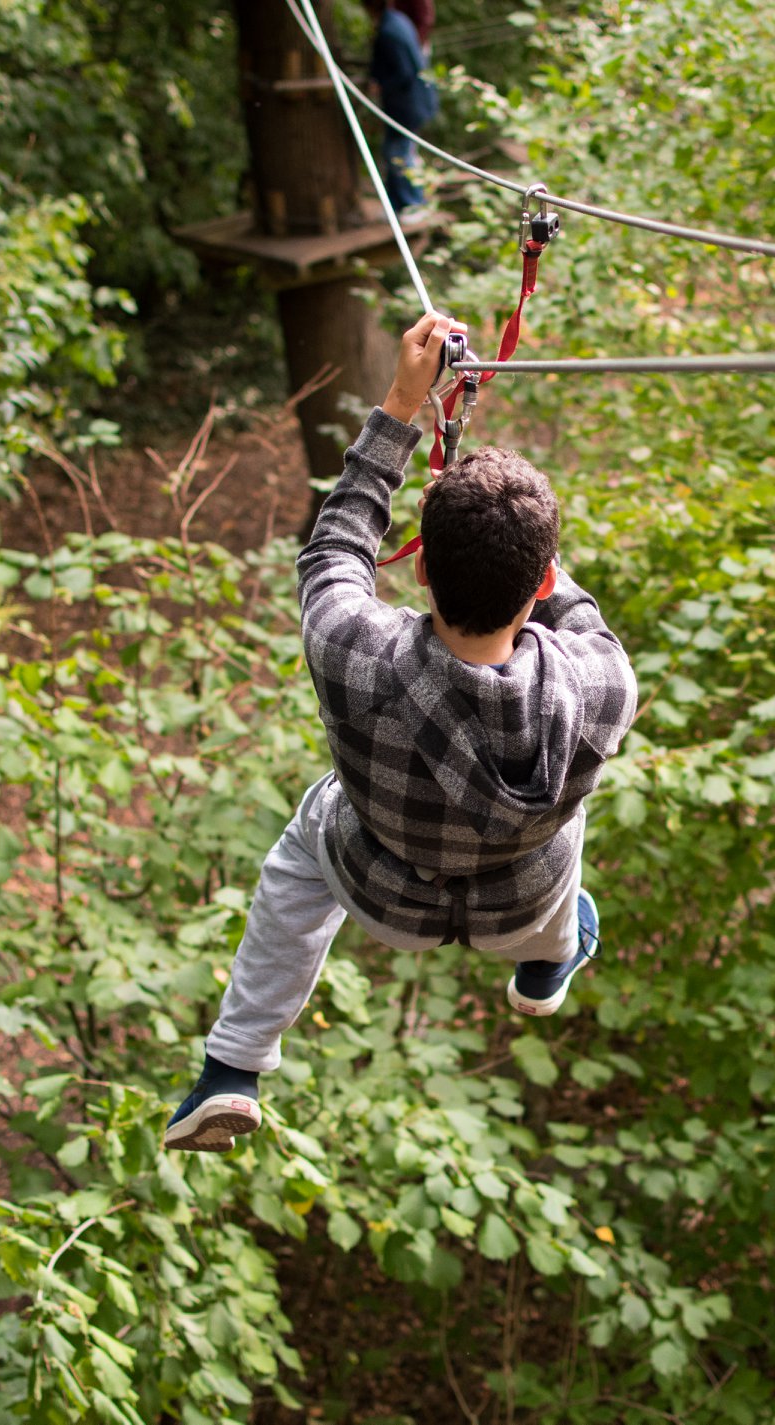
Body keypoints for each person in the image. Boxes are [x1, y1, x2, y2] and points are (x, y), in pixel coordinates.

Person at [165, 313, 640, 1153]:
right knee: (572, 786)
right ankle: (546, 962)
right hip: (518, 904)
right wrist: (520, 546)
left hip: (384, 893)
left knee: (309, 831)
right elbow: (576, 613)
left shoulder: (354, 652)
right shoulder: (601, 683)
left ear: (421, 566)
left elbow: (335, 549)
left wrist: (400, 406)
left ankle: (234, 1066)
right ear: (540, 585)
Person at [363, 0, 439, 215]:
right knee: (394, 152)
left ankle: (413, 204)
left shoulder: (389, 31)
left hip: (408, 104)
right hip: (409, 102)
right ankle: (397, 205)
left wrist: (380, 85)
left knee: (400, 154)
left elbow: (404, 72)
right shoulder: (396, 20)